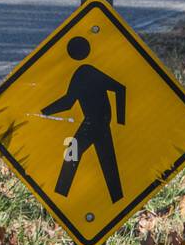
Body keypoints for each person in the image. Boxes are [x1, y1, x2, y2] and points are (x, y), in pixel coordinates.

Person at [41, 36, 126, 203]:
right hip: (98, 122)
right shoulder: (84, 71)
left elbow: (120, 89)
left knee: (72, 154)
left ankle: (60, 196)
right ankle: (118, 199)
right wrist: (44, 111)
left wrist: (121, 120)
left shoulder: (85, 72)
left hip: (94, 122)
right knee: (107, 162)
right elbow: (68, 102)